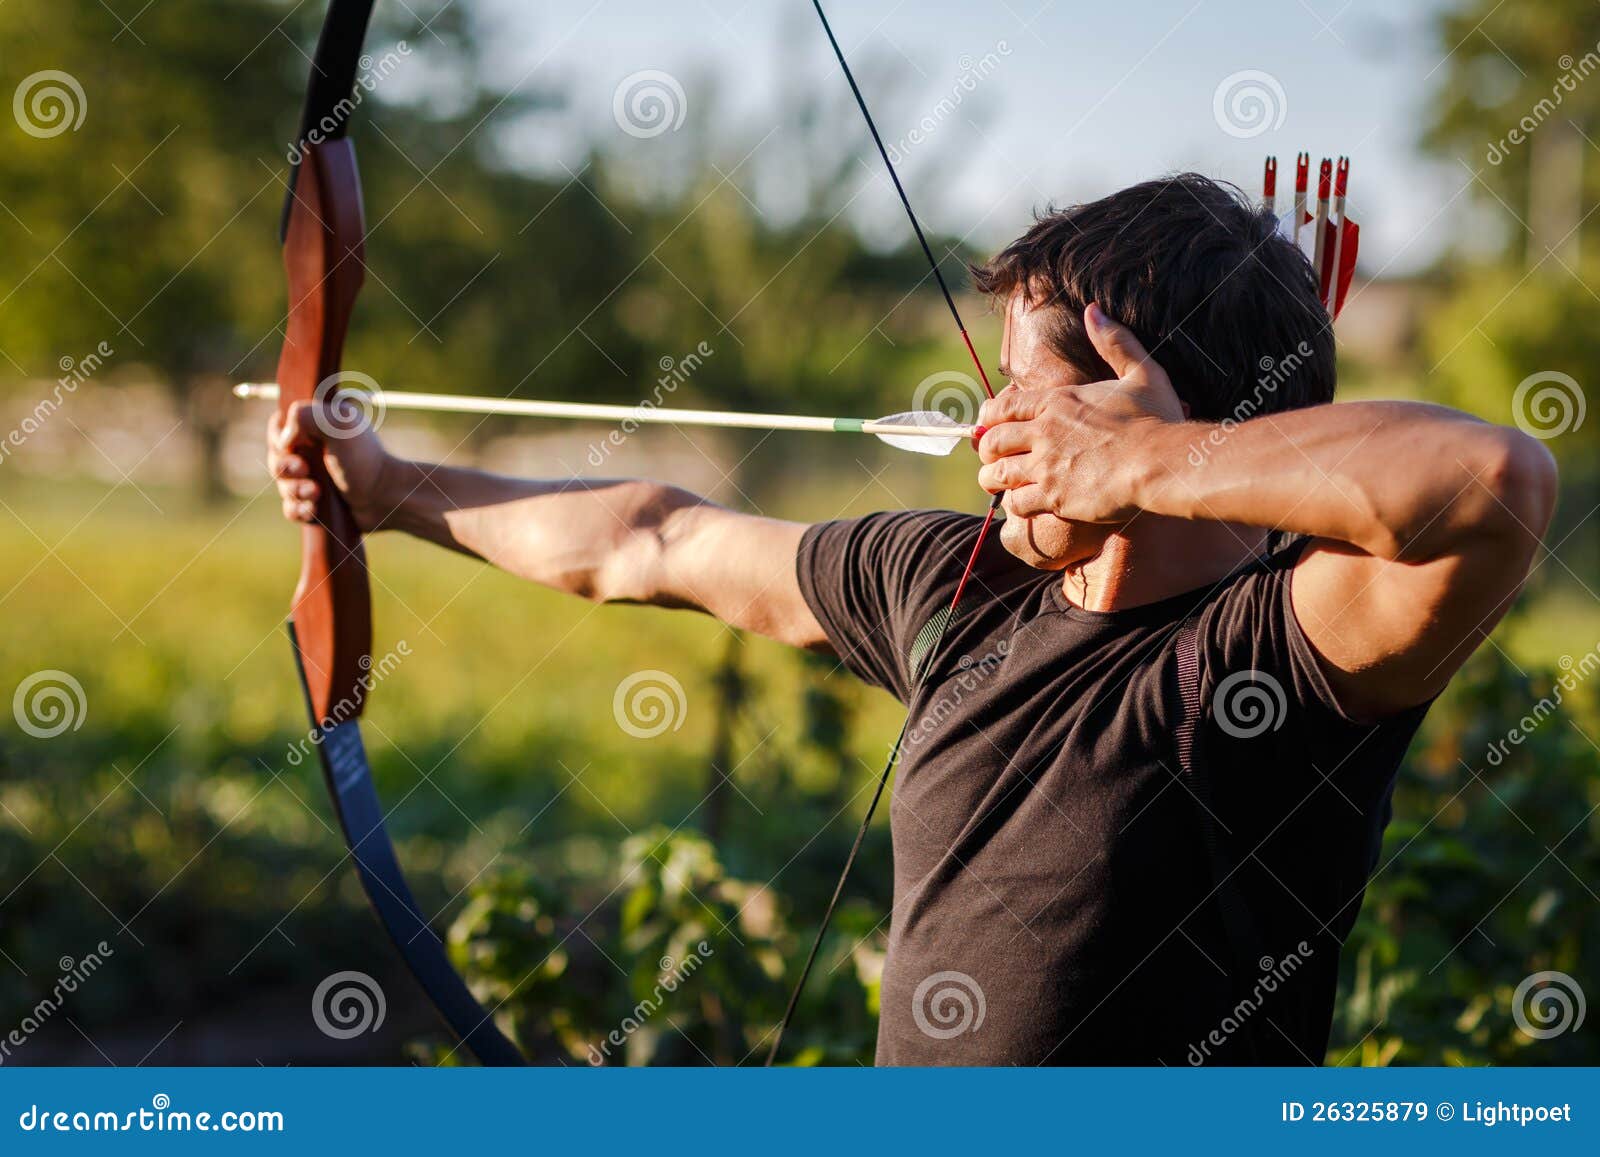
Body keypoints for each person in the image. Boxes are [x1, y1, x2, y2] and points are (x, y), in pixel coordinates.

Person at [266, 175, 1556, 1065]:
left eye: (1026, 393)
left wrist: (1151, 469)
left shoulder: (1273, 656)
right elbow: (649, 539)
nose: (989, 423)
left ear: (1130, 411)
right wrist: (387, 492)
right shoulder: (955, 587)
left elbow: (1497, 486)